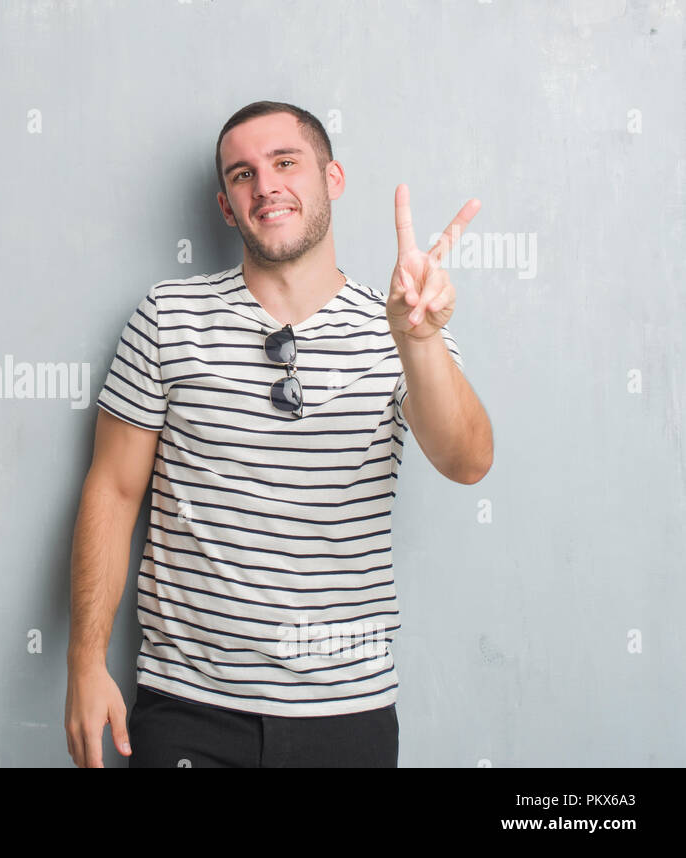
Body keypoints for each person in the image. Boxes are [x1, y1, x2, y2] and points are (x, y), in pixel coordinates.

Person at [64, 100, 494, 768]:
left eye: (285, 162)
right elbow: (114, 491)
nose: (264, 185)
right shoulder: (166, 318)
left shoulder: (403, 325)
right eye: (242, 174)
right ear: (225, 205)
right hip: (187, 706)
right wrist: (85, 663)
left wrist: (419, 341)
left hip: (348, 709)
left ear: (333, 178)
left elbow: (468, 461)